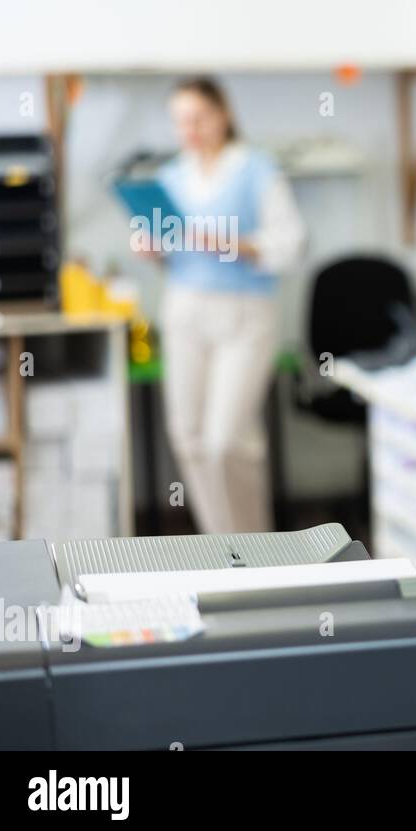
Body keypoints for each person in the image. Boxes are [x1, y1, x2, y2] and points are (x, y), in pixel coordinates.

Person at [152, 77, 305, 533]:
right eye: (181, 120)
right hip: (185, 309)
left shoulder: (257, 170)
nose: (190, 129)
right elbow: (174, 253)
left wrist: (236, 245)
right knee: (190, 436)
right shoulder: (171, 177)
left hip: (244, 313)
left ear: (224, 115)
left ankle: (255, 554)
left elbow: (291, 243)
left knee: (226, 441)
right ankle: (222, 549)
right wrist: (154, 248)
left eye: (198, 117)